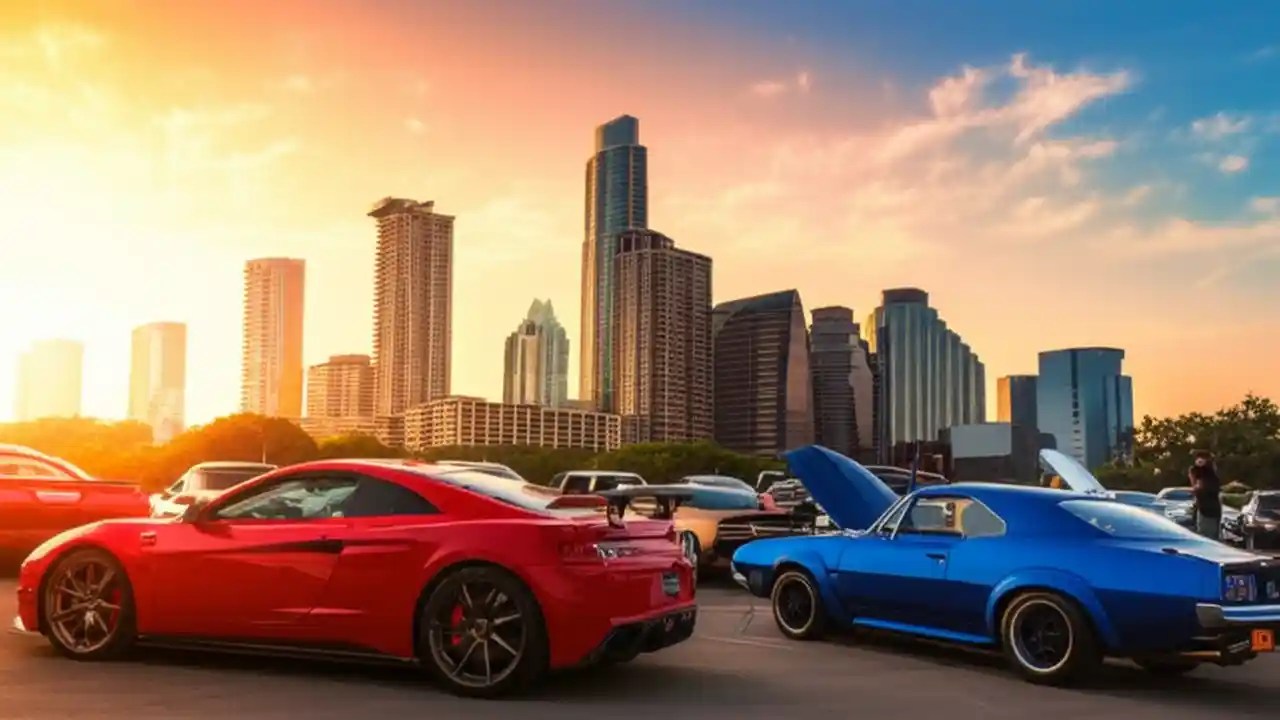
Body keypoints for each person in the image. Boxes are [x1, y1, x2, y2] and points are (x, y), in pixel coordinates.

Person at [1188, 450, 1222, 539]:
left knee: (1206, 535)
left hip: (1207, 511)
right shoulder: (1211, 476)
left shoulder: (1205, 475)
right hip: (1211, 510)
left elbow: (1198, 484)